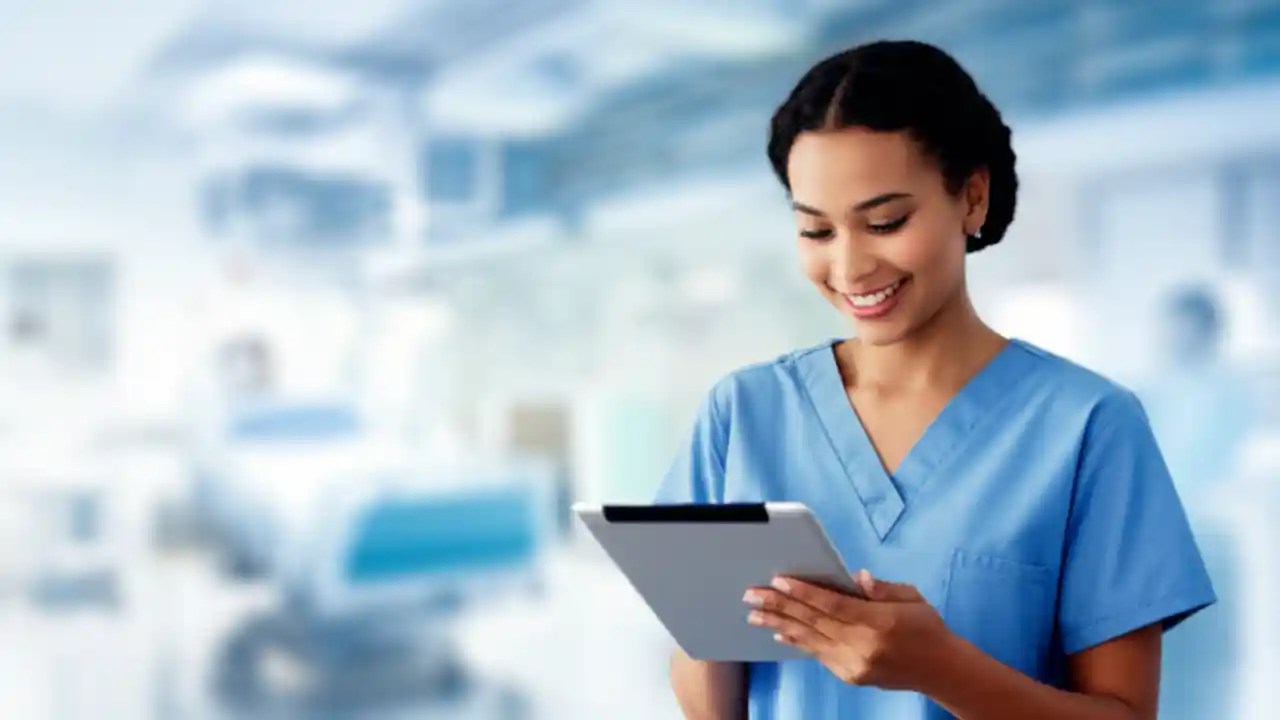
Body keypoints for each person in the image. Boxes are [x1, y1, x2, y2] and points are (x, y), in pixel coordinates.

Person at [655, 40, 1215, 720]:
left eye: (885, 222)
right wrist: (712, 623)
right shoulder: (744, 414)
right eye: (817, 231)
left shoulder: (1088, 426)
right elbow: (707, 692)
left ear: (972, 198)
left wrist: (940, 668)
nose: (851, 267)